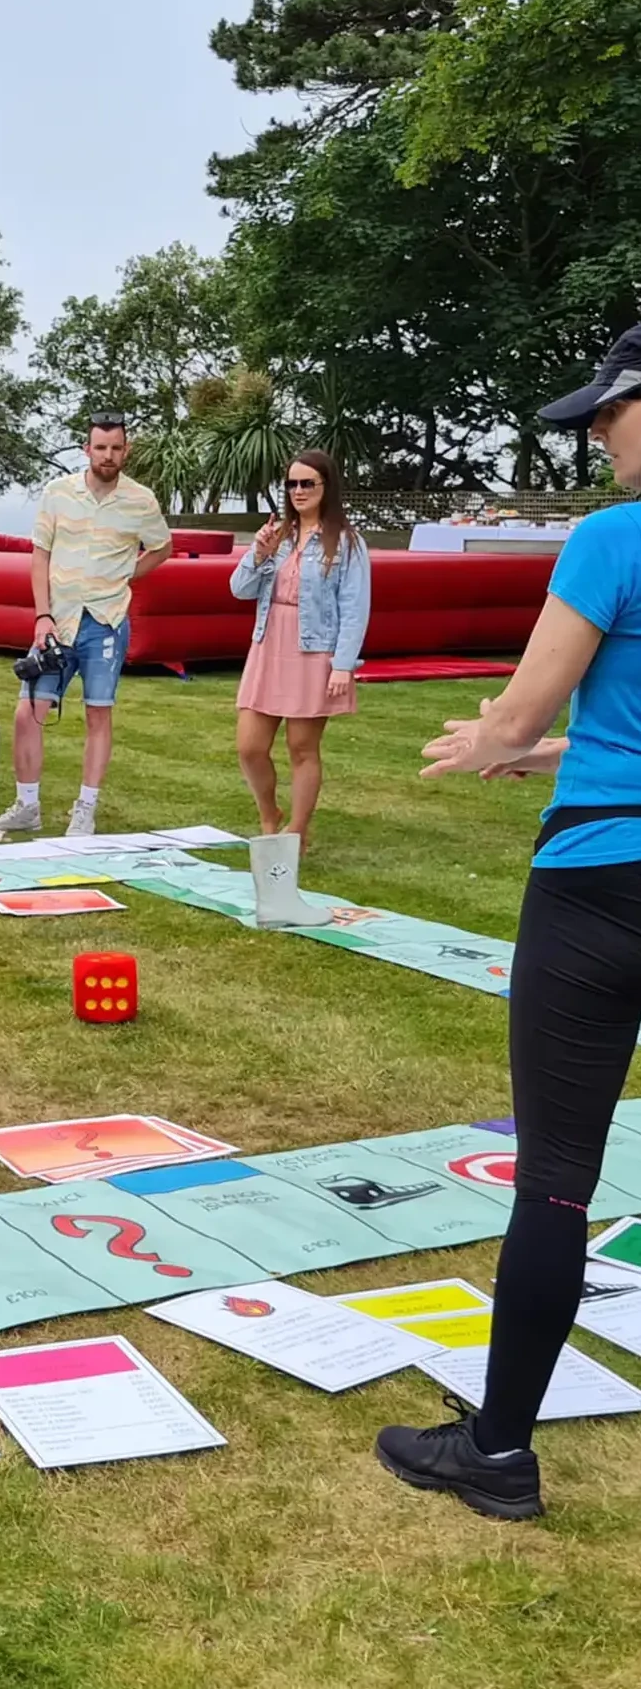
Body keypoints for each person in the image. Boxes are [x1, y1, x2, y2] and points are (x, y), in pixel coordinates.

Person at [375, 324, 641, 1523]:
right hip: (607, 821)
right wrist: (542, 755)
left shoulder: (610, 540)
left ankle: (496, 1451)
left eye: (607, 414)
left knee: (556, 1182)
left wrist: (499, 735)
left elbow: (532, 694)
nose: (595, 435)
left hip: (600, 883)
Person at [0, 414, 172, 840]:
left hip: (106, 621)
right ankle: (27, 806)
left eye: (116, 448)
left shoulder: (141, 500)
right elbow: (40, 556)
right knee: (29, 712)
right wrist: (41, 615)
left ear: (126, 450)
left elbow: (163, 546)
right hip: (57, 622)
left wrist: (129, 575)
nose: (108, 456)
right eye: (100, 447)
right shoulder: (57, 493)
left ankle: (85, 810)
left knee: (97, 713)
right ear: (87, 449)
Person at [229, 450, 371, 926]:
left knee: (301, 748)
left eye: (308, 483)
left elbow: (355, 606)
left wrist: (342, 665)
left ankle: (295, 831)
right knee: (249, 746)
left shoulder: (347, 542)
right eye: (292, 484)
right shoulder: (278, 535)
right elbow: (239, 589)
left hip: (316, 650)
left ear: (327, 486)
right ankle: (270, 815)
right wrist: (258, 553)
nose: (299, 492)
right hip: (270, 645)